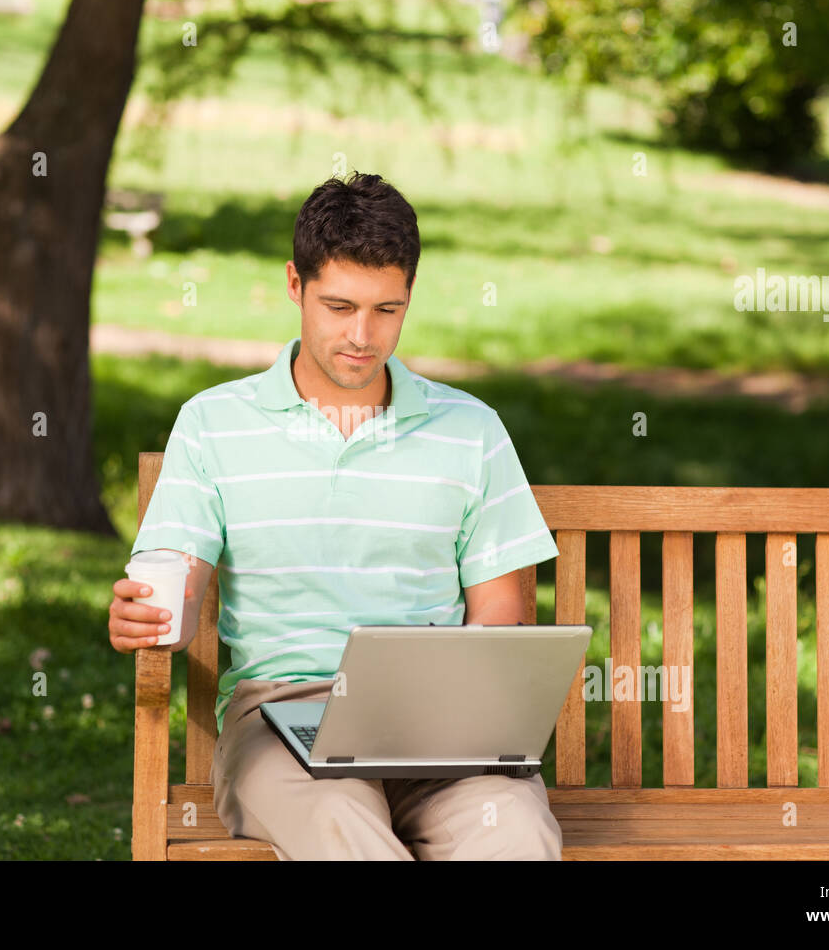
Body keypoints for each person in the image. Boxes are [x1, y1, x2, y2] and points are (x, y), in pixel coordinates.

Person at [109, 171, 563, 860]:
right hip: (282, 721)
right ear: (295, 284)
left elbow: (501, 617)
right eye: (339, 306)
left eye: (387, 310)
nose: (362, 335)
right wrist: (149, 619)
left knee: (517, 832)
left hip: (436, 726)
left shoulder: (470, 429)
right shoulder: (213, 424)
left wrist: (466, 711)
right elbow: (178, 579)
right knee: (340, 827)